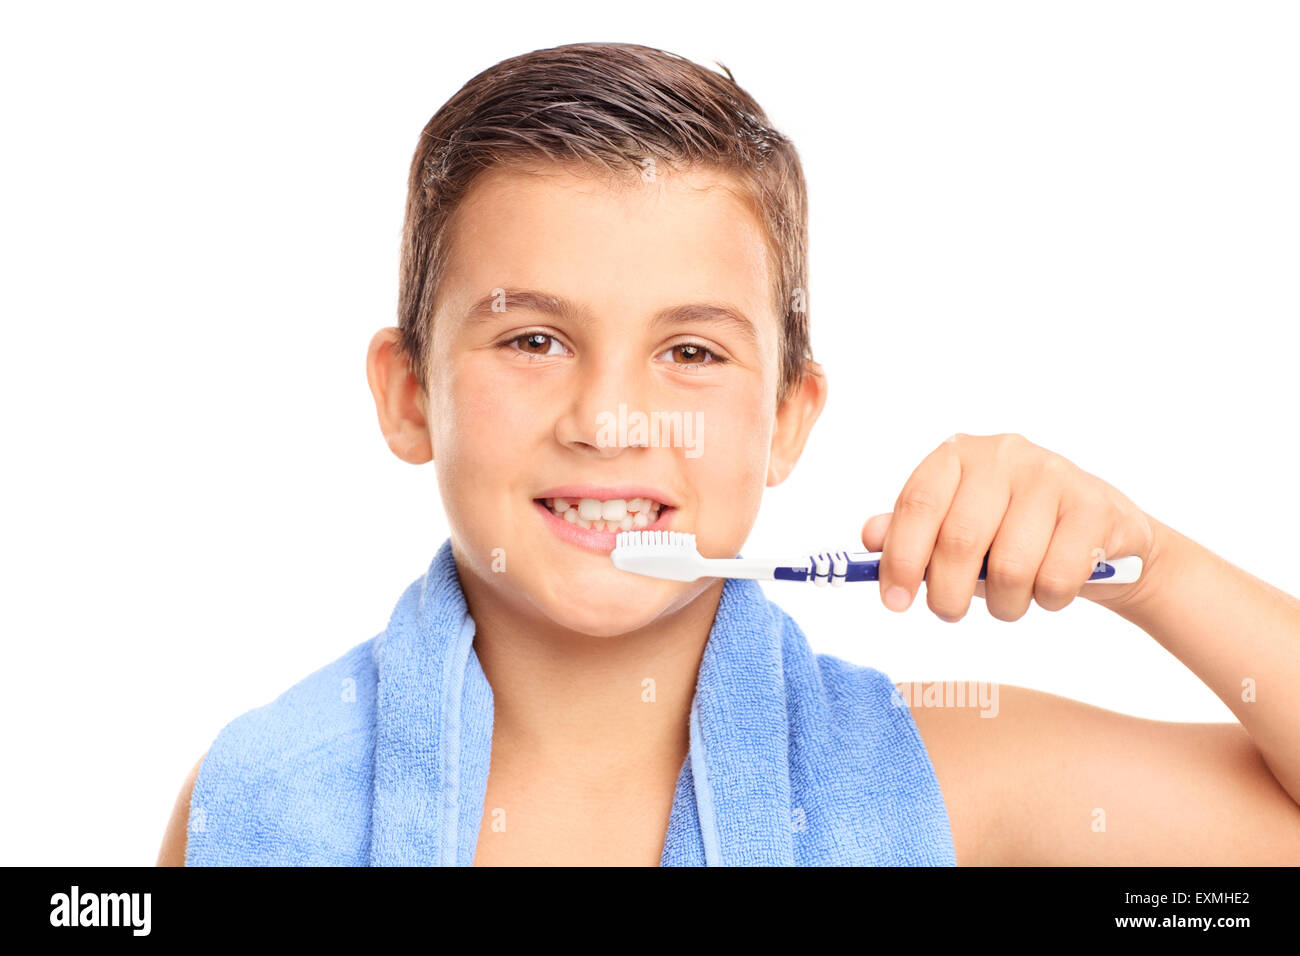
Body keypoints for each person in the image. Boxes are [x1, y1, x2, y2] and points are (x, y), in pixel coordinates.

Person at [158, 41, 1300, 866]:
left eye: (691, 352)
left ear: (788, 419)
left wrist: (1153, 569)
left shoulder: (944, 780)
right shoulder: (259, 804)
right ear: (409, 395)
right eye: (534, 339)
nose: (612, 420)